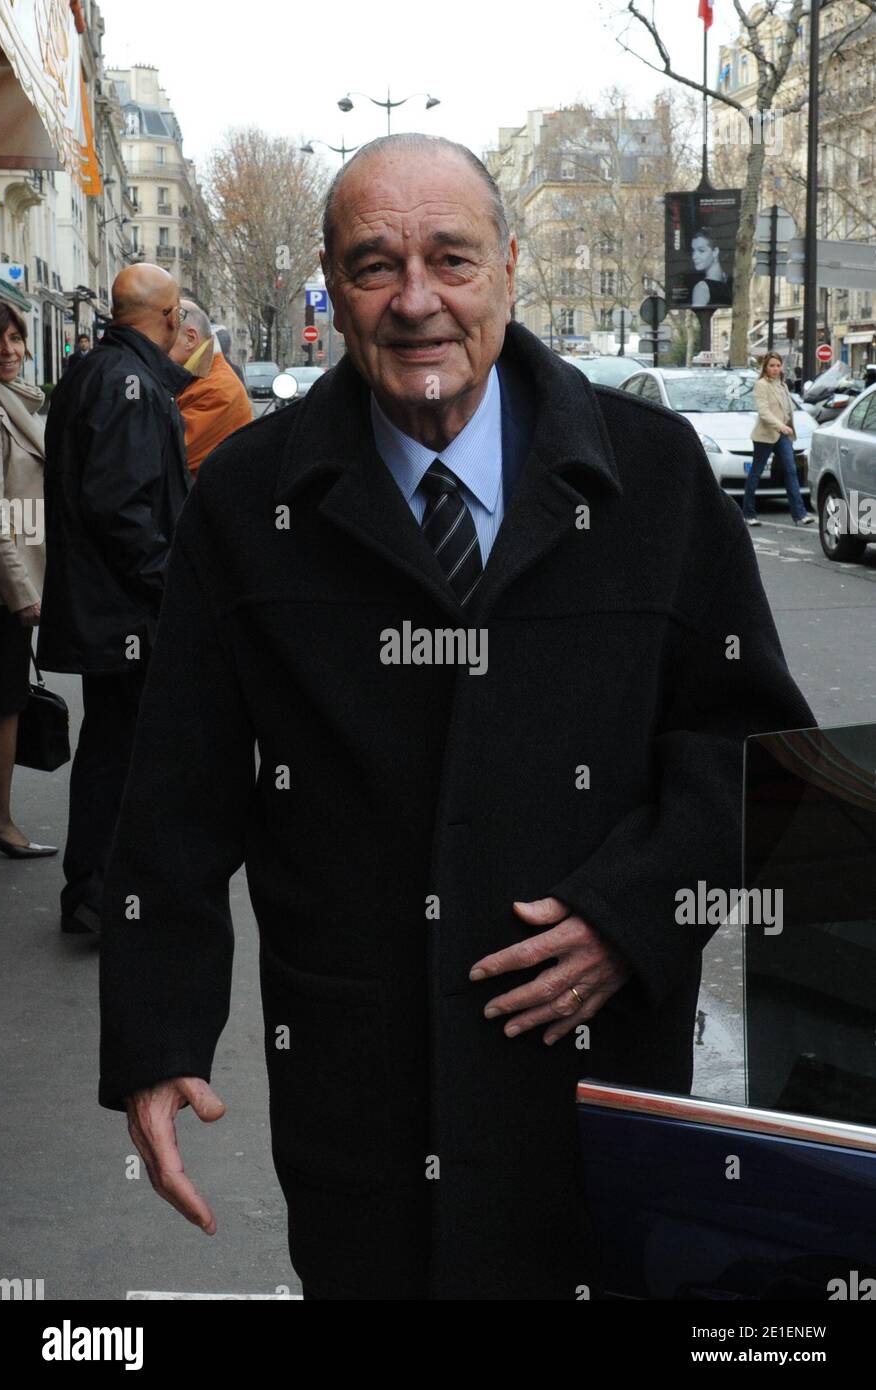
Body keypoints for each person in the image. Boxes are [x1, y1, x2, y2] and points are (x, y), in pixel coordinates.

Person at [98, 134, 815, 1300]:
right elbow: (178, 786)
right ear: (329, 288)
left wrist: (624, 919)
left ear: (510, 267)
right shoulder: (248, 498)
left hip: (597, 1073)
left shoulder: (657, 477)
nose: (417, 300)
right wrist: (155, 1040)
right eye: (375, 264)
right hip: (358, 1084)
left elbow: (747, 750)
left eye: (451, 258)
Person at [38, 264, 193, 934]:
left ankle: (96, 891)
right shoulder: (128, 384)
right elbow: (124, 507)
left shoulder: (94, 372)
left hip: (104, 609)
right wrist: (170, 587)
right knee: (124, 755)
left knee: (111, 749)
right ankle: (103, 894)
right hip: (125, 613)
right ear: (168, 317)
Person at [0, 300, 56, 859]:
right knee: (5, 704)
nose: (9, 349)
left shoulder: (18, 402)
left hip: (12, 572)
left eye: (15, 337)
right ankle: (1, 821)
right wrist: (22, 592)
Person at [170, 301, 252, 477]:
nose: (157, 344)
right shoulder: (199, 377)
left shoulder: (218, 389)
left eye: (165, 336)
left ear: (190, 339)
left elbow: (166, 454)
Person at [745, 351, 814, 528]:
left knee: (791, 471)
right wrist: (780, 425)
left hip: (783, 436)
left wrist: (788, 428)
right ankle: (749, 514)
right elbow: (764, 412)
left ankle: (800, 514)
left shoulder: (782, 385)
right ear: (765, 368)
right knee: (757, 473)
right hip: (765, 436)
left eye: (778, 365)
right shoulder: (761, 385)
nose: (775, 369)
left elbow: (787, 411)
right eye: (771, 366)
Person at [688, 228, 732, 307]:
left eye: (701, 250)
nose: (694, 256)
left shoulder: (702, 288)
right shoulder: (731, 282)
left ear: (715, 252)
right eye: (693, 251)